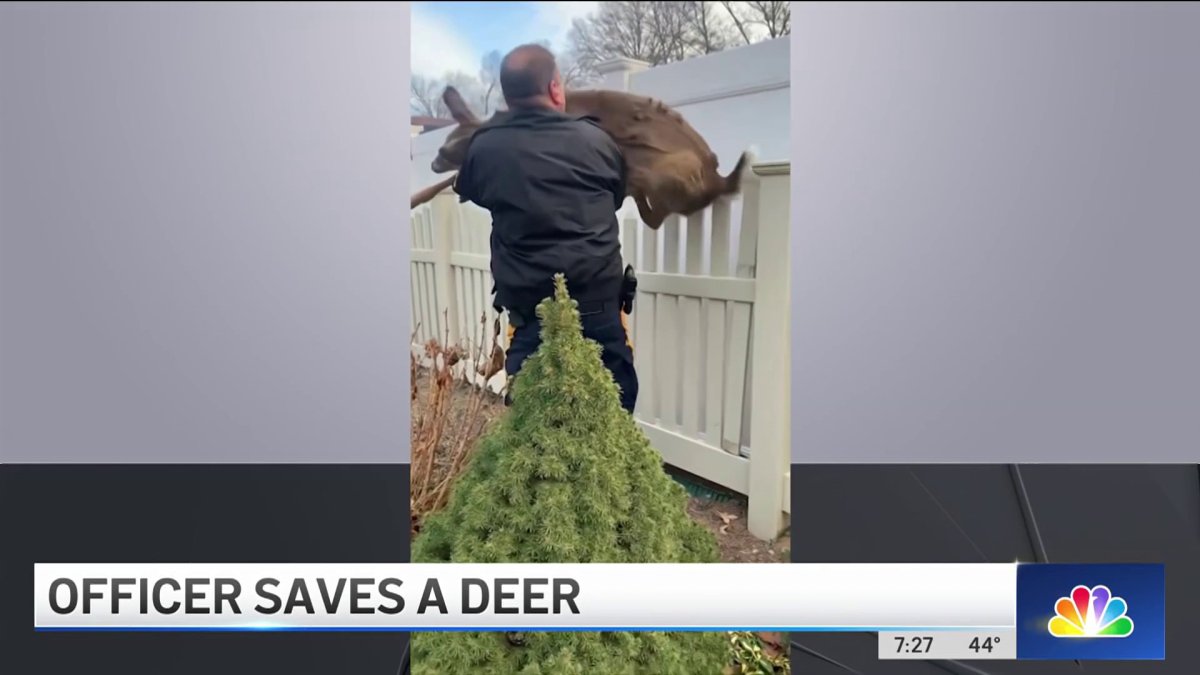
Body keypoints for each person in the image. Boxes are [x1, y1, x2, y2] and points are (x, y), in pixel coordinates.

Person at [452, 43, 638, 414]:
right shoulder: (598, 142)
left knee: (535, 443)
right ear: (555, 89)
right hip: (599, 315)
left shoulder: (485, 149)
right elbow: (615, 196)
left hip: (532, 321)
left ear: (508, 96)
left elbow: (470, 189)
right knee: (612, 434)